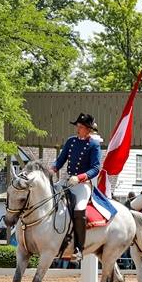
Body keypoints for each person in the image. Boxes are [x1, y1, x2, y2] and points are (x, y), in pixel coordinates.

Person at [52, 112, 102, 262]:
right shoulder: (71, 141)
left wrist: (80, 177)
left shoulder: (94, 145)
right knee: (49, 198)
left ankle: (79, 248)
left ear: (88, 129)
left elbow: (96, 168)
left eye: (80, 127)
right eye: (77, 126)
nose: (77, 129)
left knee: (79, 210)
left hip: (82, 184)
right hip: (67, 181)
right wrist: (52, 168)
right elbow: (60, 160)